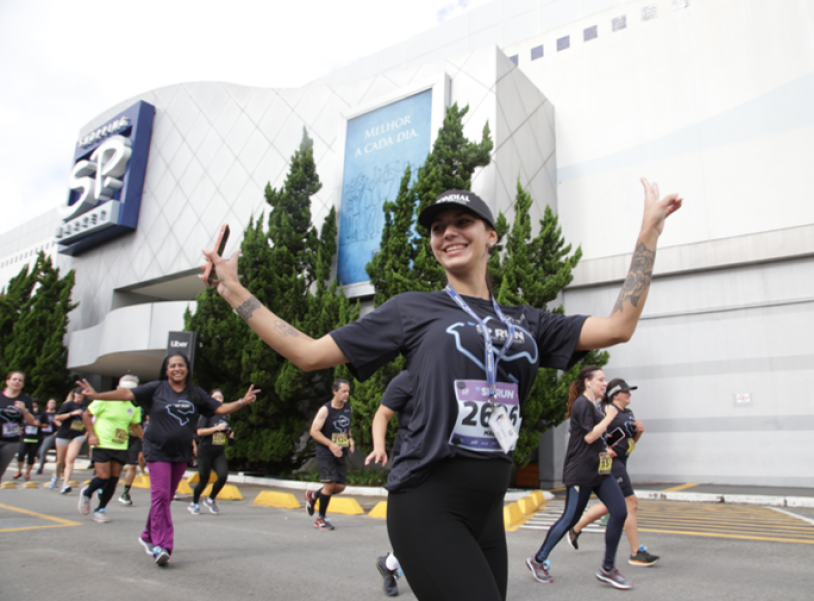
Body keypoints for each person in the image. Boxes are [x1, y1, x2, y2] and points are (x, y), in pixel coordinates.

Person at [203, 180, 681, 600]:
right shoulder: (412, 309)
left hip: (488, 507)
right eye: (437, 227)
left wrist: (648, 236)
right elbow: (307, 352)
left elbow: (619, 326)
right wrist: (233, 292)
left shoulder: (527, 320)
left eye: (463, 221)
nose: (448, 231)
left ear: (491, 235)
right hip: (427, 499)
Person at [76, 352, 260, 566]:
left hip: (180, 453)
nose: (176, 369)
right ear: (167, 370)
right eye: (172, 365)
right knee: (161, 496)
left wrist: (241, 402)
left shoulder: (195, 393)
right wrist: (96, 395)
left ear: (187, 369)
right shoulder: (156, 388)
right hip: (156, 450)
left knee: (165, 498)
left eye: (180, 365)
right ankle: (162, 546)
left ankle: (147, 535)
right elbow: (126, 393)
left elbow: (219, 408)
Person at [525, 366, 631, 588]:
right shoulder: (583, 404)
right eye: (600, 380)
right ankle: (538, 559)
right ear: (588, 383)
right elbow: (590, 436)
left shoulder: (594, 406)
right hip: (580, 474)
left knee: (620, 510)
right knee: (569, 519)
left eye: (605, 380)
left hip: (600, 471)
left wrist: (606, 449)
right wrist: (609, 417)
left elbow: (584, 436)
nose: (605, 383)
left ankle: (608, 568)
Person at [568, 378, 659, 567]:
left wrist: (639, 432)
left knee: (612, 505)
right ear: (615, 394)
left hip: (622, 461)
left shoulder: (629, 413)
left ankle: (575, 528)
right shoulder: (604, 411)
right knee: (630, 503)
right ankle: (636, 552)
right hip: (611, 463)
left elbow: (629, 443)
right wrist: (603, 450)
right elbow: (582, 435)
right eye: (626, 391)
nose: (630, 394)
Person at [365, 371, 414, 597]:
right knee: (413, 527)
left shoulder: (453, 377)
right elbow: (382, 415)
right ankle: (391, 564)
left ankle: (390, 563)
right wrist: (378, 446)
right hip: (410, 462)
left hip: (442, 462)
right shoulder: (407, 378)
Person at [79, 375, 144, 523]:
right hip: (102, 443)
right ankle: (87, 493)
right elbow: (86, 415)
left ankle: (101, 509)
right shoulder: (104, 400)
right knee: (103, 476)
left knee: (113, 479)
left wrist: (145, 439)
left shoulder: (134, 406)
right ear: (118, 388)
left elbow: (135, 425)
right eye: (125, 388)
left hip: (120, 445)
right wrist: (92, 435)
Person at [305, 379, 354, 530]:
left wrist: (350, 439)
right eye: (343, 391)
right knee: (330, 484)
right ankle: (321, 519)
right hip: (326, 451)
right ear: (335, 391)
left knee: (340, 486)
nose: (346, 394)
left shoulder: (348, 409)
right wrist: (330, 444)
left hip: (341, 451)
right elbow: (314, 431)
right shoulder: (325, 410)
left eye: (348, 391)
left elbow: (347, 426)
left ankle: (313, 496)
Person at [189, 388, 234, 515]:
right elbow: (199, 432)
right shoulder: (206, 414)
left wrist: (229, 433)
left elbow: (224, 429)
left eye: (220, 398)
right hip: (206, 450)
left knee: (223, 476)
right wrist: (215, 428)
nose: (218, 400)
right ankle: (194, 503)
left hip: (218, 451)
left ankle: (211, 499)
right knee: (204, 479)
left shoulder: (224, 414)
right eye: (216, 397)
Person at [1, 371, 39, 484]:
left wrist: (24, 410)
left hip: (11, 441)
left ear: (22, 384)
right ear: (7, 381)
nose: (17, 382)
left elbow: (32, 421)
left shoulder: (25, 399)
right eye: (14, 379)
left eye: (20, 380)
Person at [54, 387, 88, 494]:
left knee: (70, 458)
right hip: (64, 434)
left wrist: (86, 434)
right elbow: (57, 417)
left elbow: (89, 422)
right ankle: (56, 476)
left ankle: (65, 484)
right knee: (60, 461)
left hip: (77, 435)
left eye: (82, 394)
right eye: (78, 394)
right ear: (74, 394)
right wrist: (71, 414)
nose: (79, 396)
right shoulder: (68, 405)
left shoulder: (85, 407)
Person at [118, 375, 144, 506]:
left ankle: (125, 492)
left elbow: (137, 424)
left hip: (133, 437)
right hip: (117, 437)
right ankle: (104, 486)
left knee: (133, 466)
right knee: (115, 466)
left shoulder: (137, 405)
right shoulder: (111, 401)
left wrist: (145, 439)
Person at [14, 399, 49, 480]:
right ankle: (19, 471)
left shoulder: (42, 413)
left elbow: (46, 425)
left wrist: (39, 425)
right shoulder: (25, 412)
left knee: (31, 456)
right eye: (32, 405)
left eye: (35, 405)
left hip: (36, 438)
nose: (33, 407)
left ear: (38, 405)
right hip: (25, 436)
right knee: (21, 454)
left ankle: (27, 473)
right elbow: (19, 421)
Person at [36, 398, 58, 476]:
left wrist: (57, 431)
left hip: (51, 434)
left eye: (53, 403)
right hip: (41, 434)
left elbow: (60, 424)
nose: (52, 404)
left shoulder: (56, 414)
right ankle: (43, 460)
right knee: (37, 452)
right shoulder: (43, 413)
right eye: (50, 403)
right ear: (47, 404)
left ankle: (40, 468)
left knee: (43, 450)